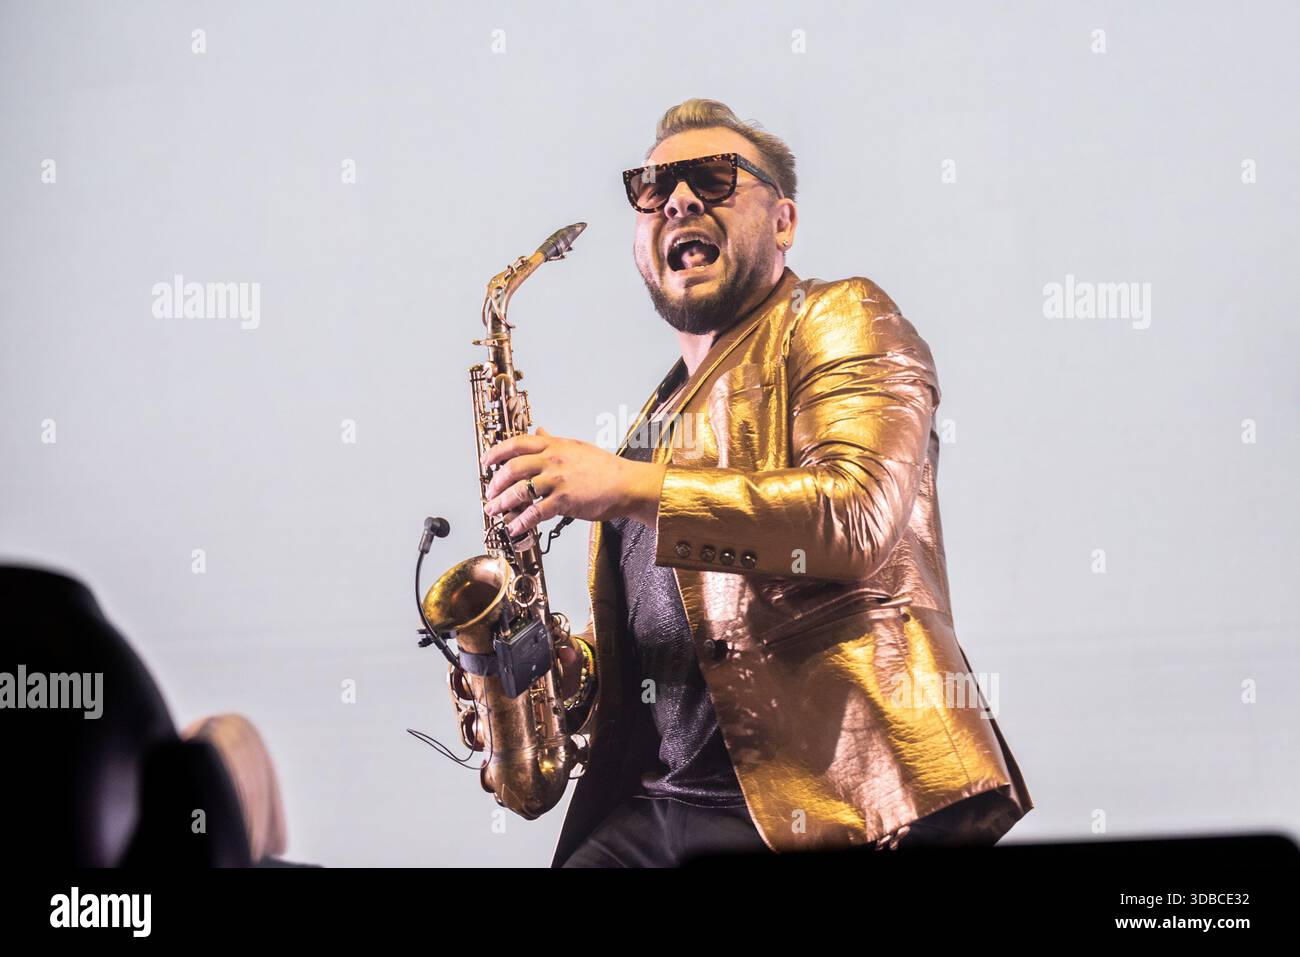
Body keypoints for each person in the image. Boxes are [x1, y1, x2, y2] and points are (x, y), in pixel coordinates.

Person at [480, 99, 1033, 867]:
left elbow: (854, 517)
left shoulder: (840, 317)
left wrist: (629, 484)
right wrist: (571, 673)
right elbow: (690, 655)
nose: (678, 198)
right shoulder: (651, 424)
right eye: (652, 186)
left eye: (713, 177)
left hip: (834, 801)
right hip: (659, 808)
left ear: (783, 221)